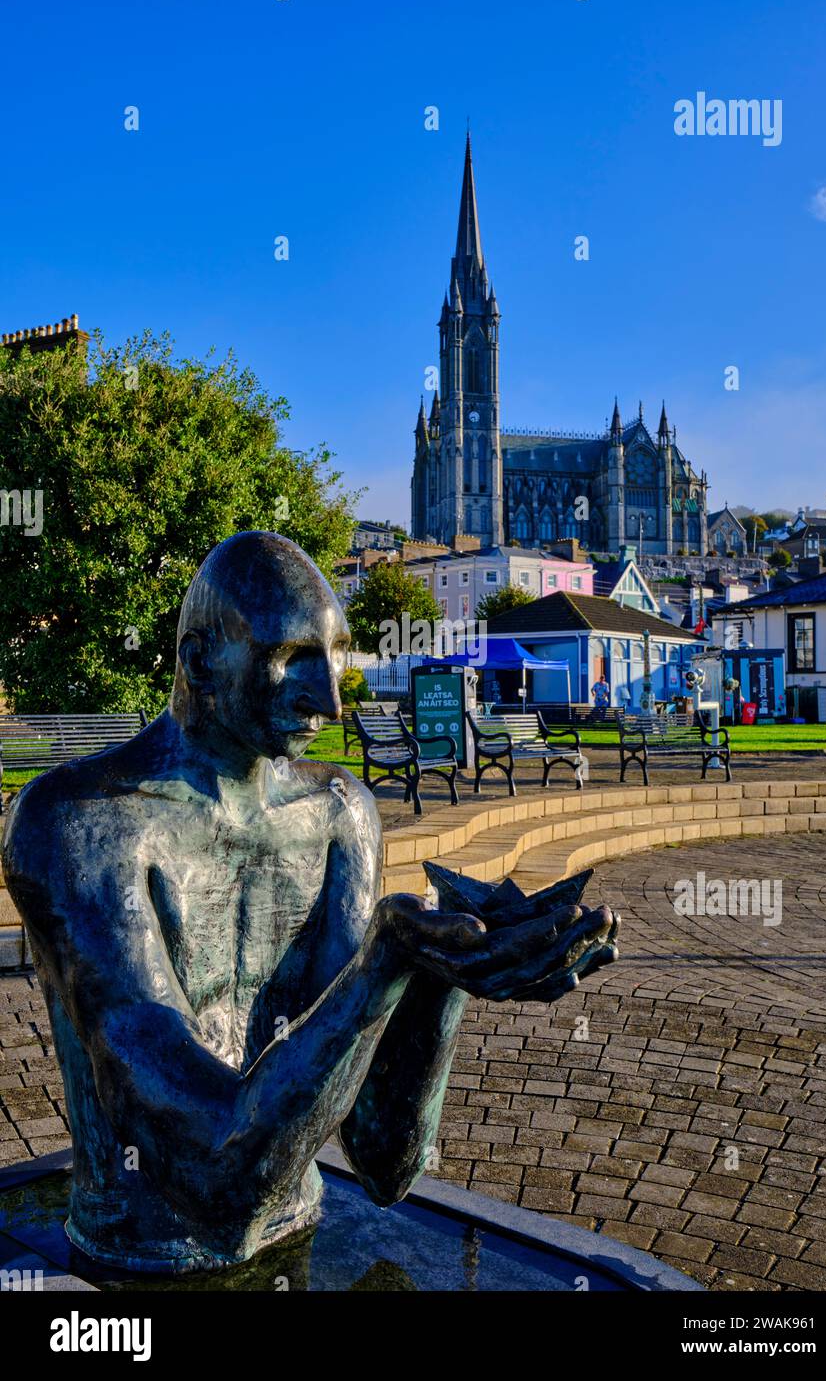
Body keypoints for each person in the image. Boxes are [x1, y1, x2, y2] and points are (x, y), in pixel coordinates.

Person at [2, 532, 617, 1273]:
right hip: (143, 1250)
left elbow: (387, 1164)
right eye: (293, 656)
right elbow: (212, 1184)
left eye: (335, 656)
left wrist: (437, 976)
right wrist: (384, 960)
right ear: (200, 662)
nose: (328, 696)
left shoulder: (338, 815)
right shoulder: (78, 825)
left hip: (301, 1220)